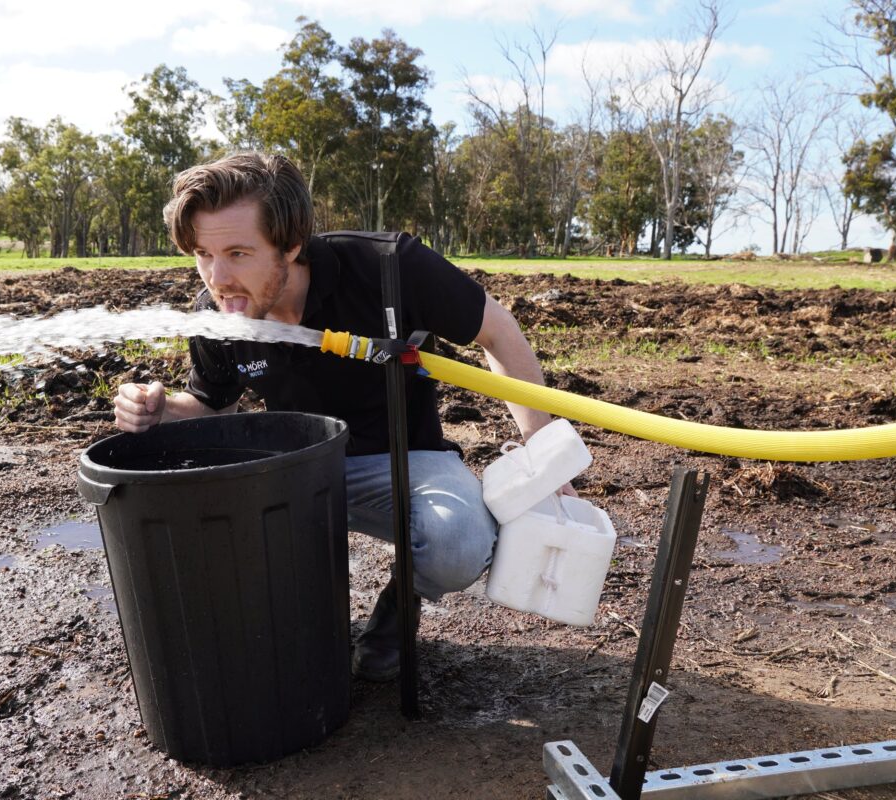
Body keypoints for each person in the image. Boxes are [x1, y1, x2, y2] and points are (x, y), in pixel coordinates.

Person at [113, 152, 566, 682]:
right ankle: (289, 620)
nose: (219, 278)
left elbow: (499, 332)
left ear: (292, 243)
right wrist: (161, 407)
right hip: (294, 470)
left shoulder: (388, 266)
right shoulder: (216, 320)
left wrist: (544, 457)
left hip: (402, 460)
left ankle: (400, 606)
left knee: (459, 543)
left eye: (238, 252)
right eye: (203, 255)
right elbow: (214, 406)